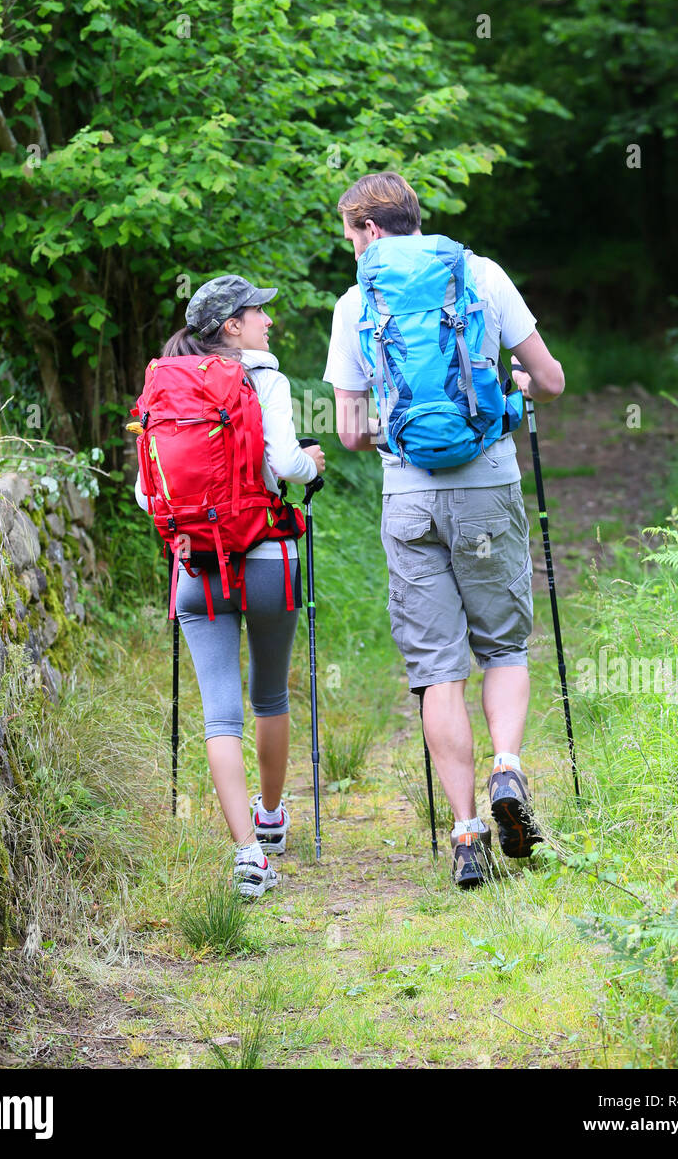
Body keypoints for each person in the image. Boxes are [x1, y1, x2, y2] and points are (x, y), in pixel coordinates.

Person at [323, 172, 565, 889]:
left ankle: (465, 836)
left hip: (410, 504)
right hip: (487, 489)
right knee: (504, 646)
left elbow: (352, 435)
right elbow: (549, 379)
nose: (351, 250)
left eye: (349, 236)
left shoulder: (354, 303)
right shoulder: (480, 274)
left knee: (437, 671)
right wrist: (512, 393)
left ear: (367, 229)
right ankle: (508, 773)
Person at [134, 275, 325, 897]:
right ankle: (271, 821)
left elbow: (145, 492)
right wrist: (312, 464)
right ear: (230, 328)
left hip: (195, 571)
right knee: (269, 696)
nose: (267, 320)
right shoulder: (264, 379)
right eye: (256, 312)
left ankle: (248, 855)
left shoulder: (165, 387)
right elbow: (284, 464)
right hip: (267, 558)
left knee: (220, 715)